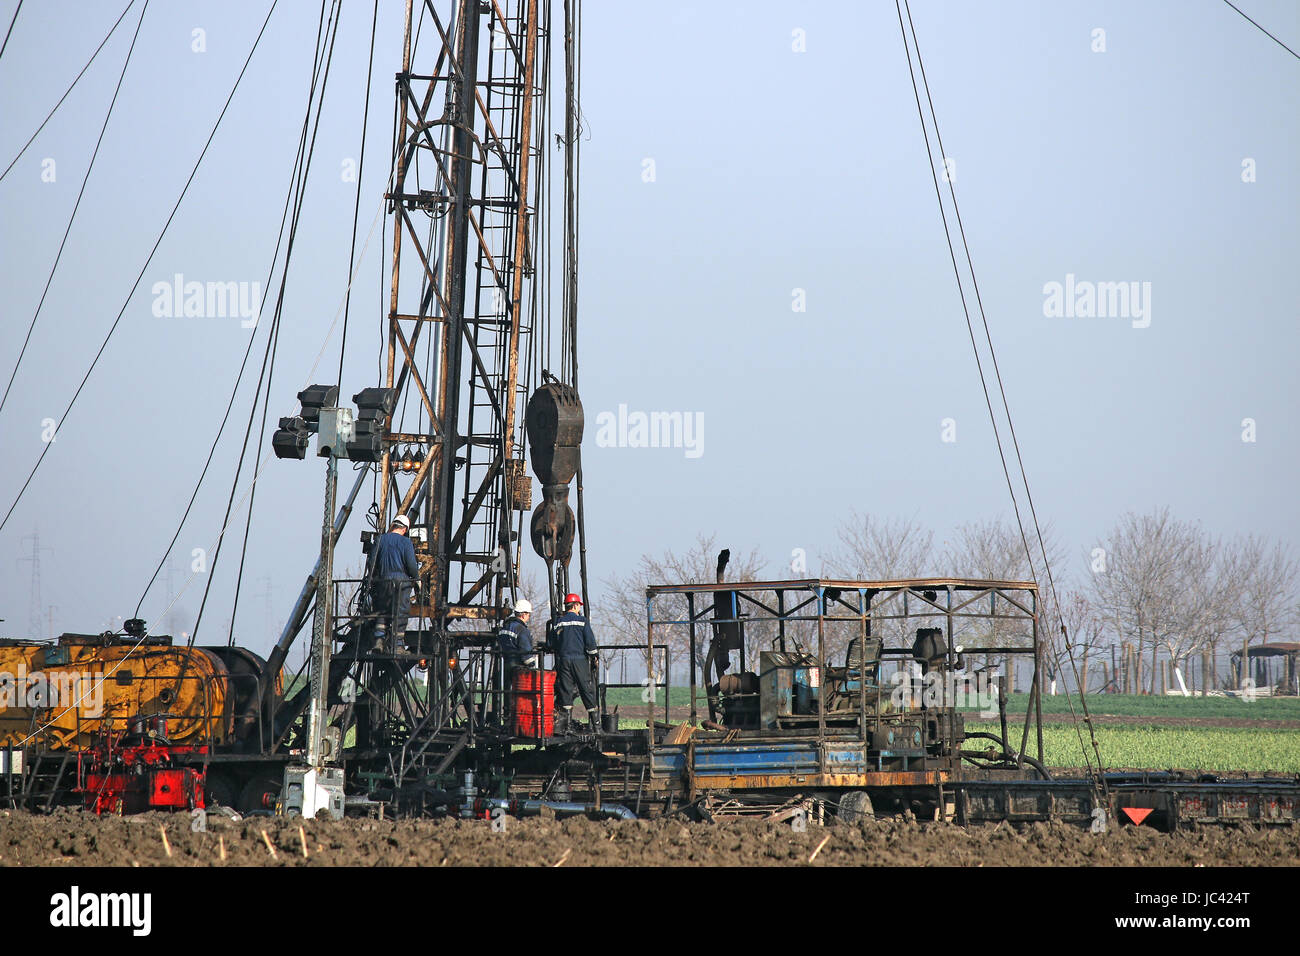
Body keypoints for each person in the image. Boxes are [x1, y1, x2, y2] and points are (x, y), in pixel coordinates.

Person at [548, 593, 599, 734]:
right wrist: (594, 655)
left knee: (566, 691)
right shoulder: (582, 621)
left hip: (563, 661)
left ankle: (568, 726)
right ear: (576, 605)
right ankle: (597, 727)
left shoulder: (558, 622)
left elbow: (552, 643)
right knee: (586, 689)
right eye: (579, 606)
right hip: (579, 660)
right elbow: (590, 643)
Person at [367, 514, 419, 651]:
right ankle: (398, 645)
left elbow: (371, 563)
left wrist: (374, 579)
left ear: (393, 525)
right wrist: (417, 579)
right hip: (401, 582)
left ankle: (379, 640)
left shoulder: (380, 540)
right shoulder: (406, 542)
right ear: (405, 529)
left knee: (382, 609)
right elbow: (411, 565)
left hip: (383, 580)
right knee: (400, 611)